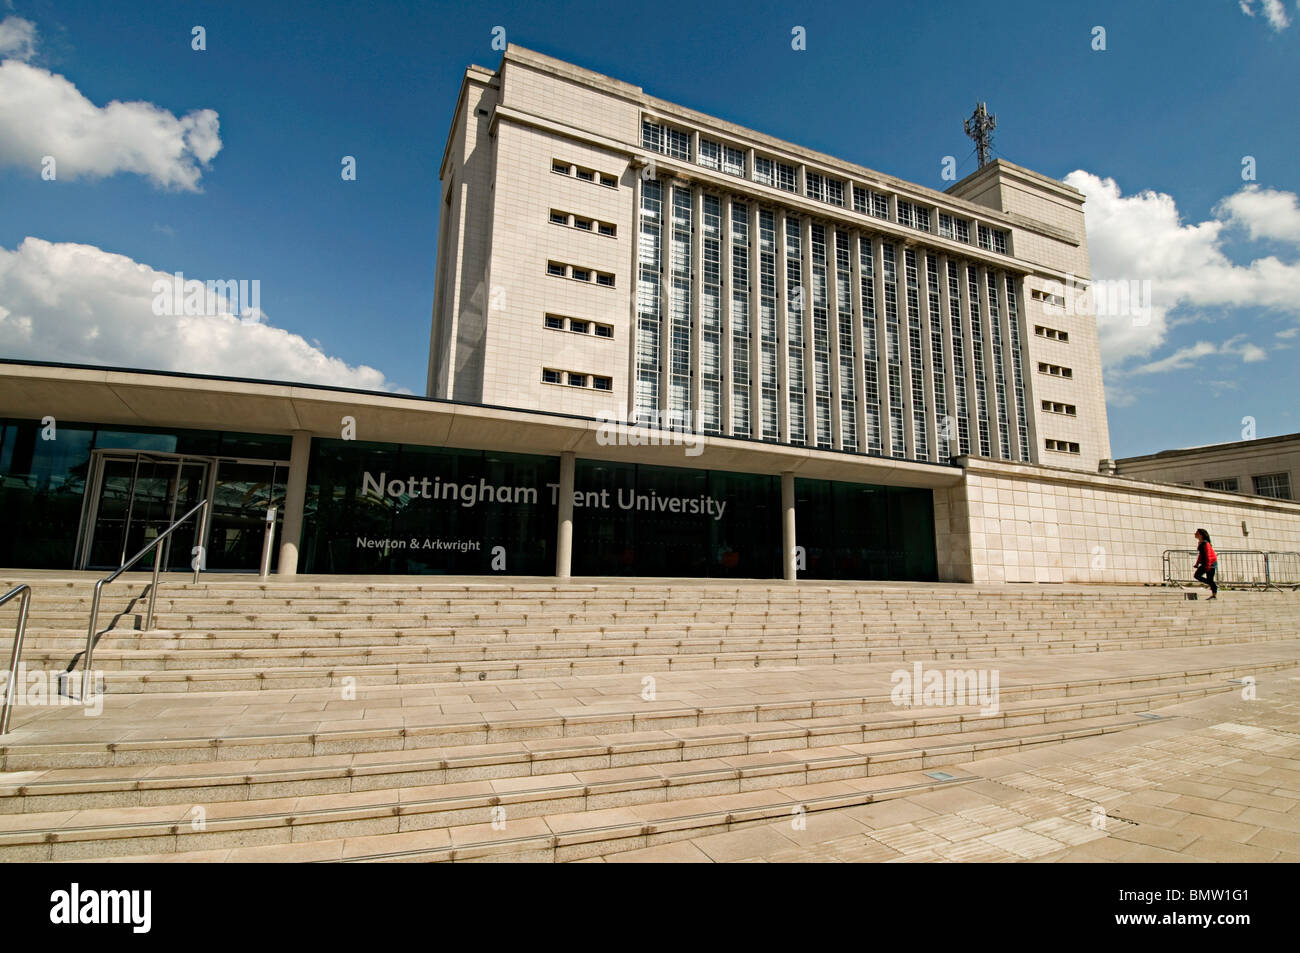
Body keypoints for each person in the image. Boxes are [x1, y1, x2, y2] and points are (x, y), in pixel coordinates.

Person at [1193, 528, 1218, 599]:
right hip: (1205, 563)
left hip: (1211, 563)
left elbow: (1208, 555)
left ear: (1201, 535)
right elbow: (1201, 554)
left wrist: (1208, 565)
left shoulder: (1206, 543)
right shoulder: (1200, 543)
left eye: (1197, 533)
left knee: (1210, 579)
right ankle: (1213, 585)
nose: (1195, 534)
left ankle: (1214, 594)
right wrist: (1197, 563)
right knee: (1197, 575)